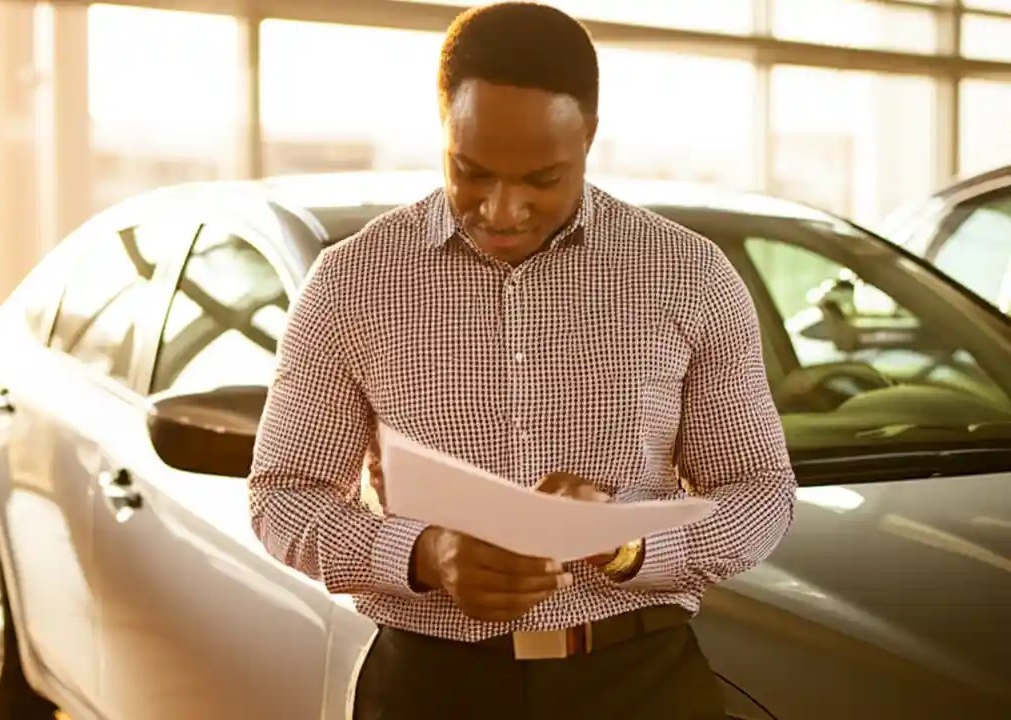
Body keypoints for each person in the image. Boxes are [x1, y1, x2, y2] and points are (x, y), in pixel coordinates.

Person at [247, 2, 797, 718]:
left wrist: (626, 542)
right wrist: (426, 553)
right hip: (429, 688)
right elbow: (283, 497)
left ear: (589, 136)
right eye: (470, 172)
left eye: (541, 179)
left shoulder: (688, 276)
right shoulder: (351, 282)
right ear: (442, 126)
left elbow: (760, 492)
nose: (502, 211)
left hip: (640, 684)